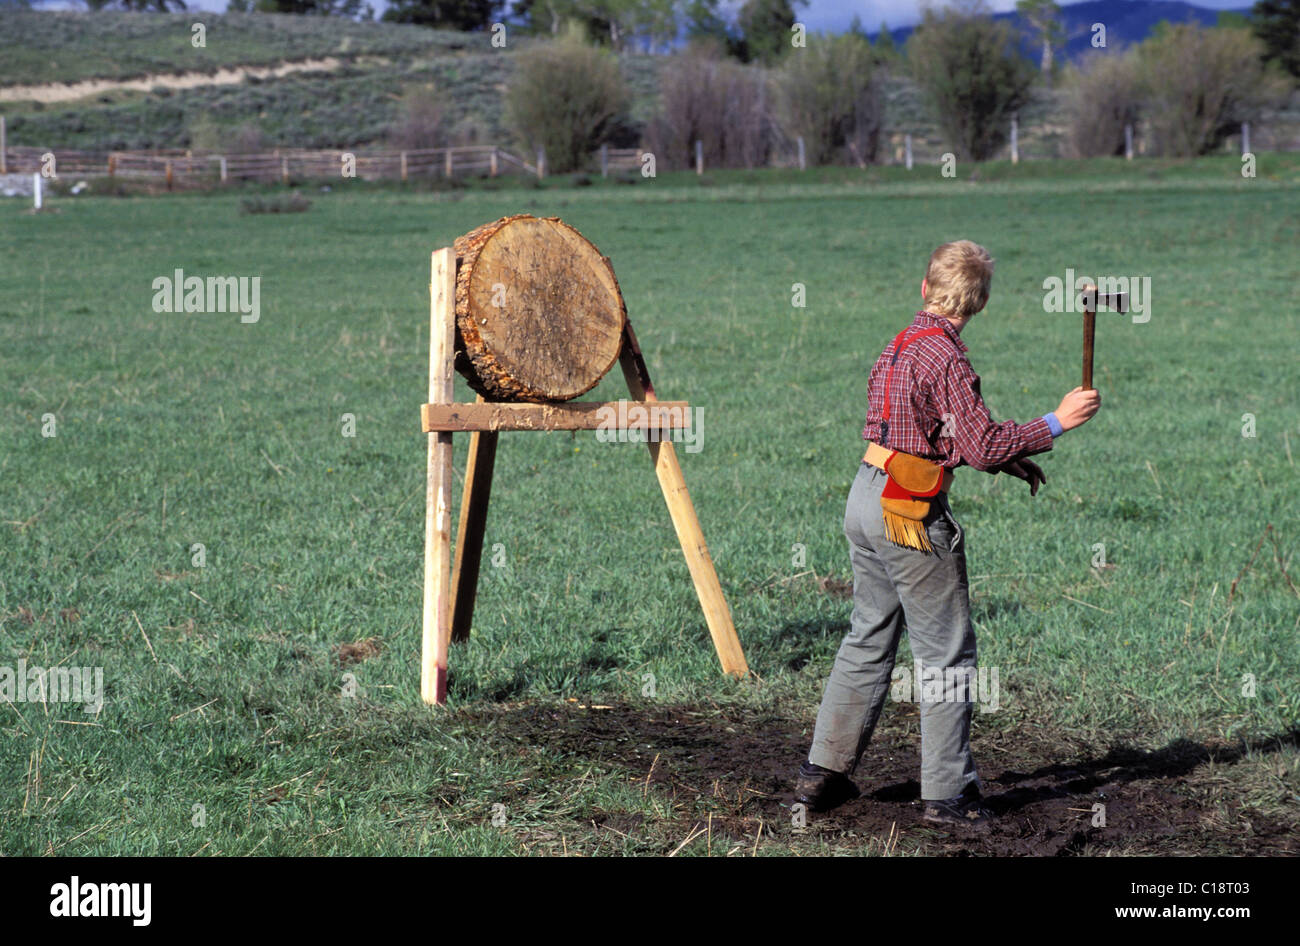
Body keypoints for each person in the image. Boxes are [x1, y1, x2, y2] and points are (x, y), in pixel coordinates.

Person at [793, 240, 1101, 829]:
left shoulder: (900, 344)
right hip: (908, 512)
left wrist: (1007, 459)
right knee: (947, 656)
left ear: (925, 288)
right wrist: (1057, 421)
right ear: (979, 302)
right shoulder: (949, 358)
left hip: (865, 494)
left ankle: (819, 776)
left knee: (867, 637)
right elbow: (980, 444)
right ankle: (947, 796)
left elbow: (935, 429)